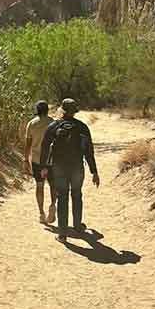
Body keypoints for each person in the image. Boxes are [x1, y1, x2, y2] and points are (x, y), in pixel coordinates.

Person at [40, 98, 100, 242]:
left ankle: (62, 234)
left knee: (62, 197)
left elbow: (44, 147)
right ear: (75, 111)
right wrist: (94, 171)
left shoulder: (54, 126)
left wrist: (44, 167)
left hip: (59, 167)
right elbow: (89, 151)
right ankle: (78, 226)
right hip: (77, 167)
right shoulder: (82, 127)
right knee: (77, 194)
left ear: (62, 110)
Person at [24, 100, 56, 224]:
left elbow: (28, 144)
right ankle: (53, 205)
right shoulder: (53, 123)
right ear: (47, 110)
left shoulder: (31, 124)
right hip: (51, 160)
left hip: (37, 160)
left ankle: (41, 213)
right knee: (53, 185)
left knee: (39, 185)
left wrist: (26, 159)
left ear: (37, 110)